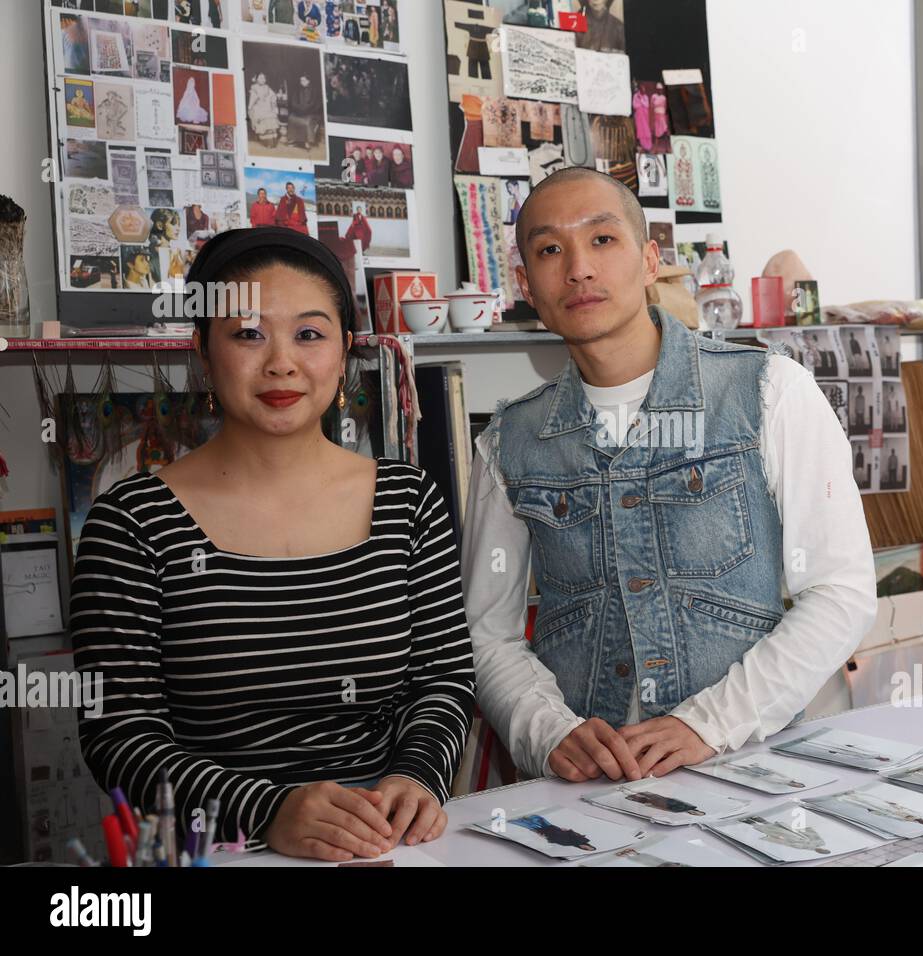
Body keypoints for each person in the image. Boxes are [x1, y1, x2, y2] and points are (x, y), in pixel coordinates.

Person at [71, 227, 475, 861]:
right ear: (203, 352)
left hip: (388, 839)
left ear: (345, 351)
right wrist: (269, 811)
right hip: (224, 844)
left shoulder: (407, 499)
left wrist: (417, 777)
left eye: (310, 334)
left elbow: (444, 679)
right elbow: (119, 734)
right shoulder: (131, 524)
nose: (282, 362)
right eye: (248, 333)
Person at [463, 168, 876, 783]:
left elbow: (840, 592)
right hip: (586, 792)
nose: (578, 268)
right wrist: (548, 732)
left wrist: (709, 722)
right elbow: (486, 632)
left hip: (746, 772)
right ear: (527, 284)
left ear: (650, 260)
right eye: (550, 249)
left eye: (603, 240)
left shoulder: (767, 391)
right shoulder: (510, 442)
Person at [246, 72, 279, 144]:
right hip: (258, 107)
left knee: (272, 115)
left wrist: (273, 99)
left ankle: (272, 139)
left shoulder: (267, 87)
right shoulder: (254, 88)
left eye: (264, 78)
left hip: (267, 107)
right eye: (260, 78)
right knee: (263, 117)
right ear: (256, 79)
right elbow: (252, 101)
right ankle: (266, 140)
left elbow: (273, 95)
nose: (262, 80)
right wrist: (250, 108)